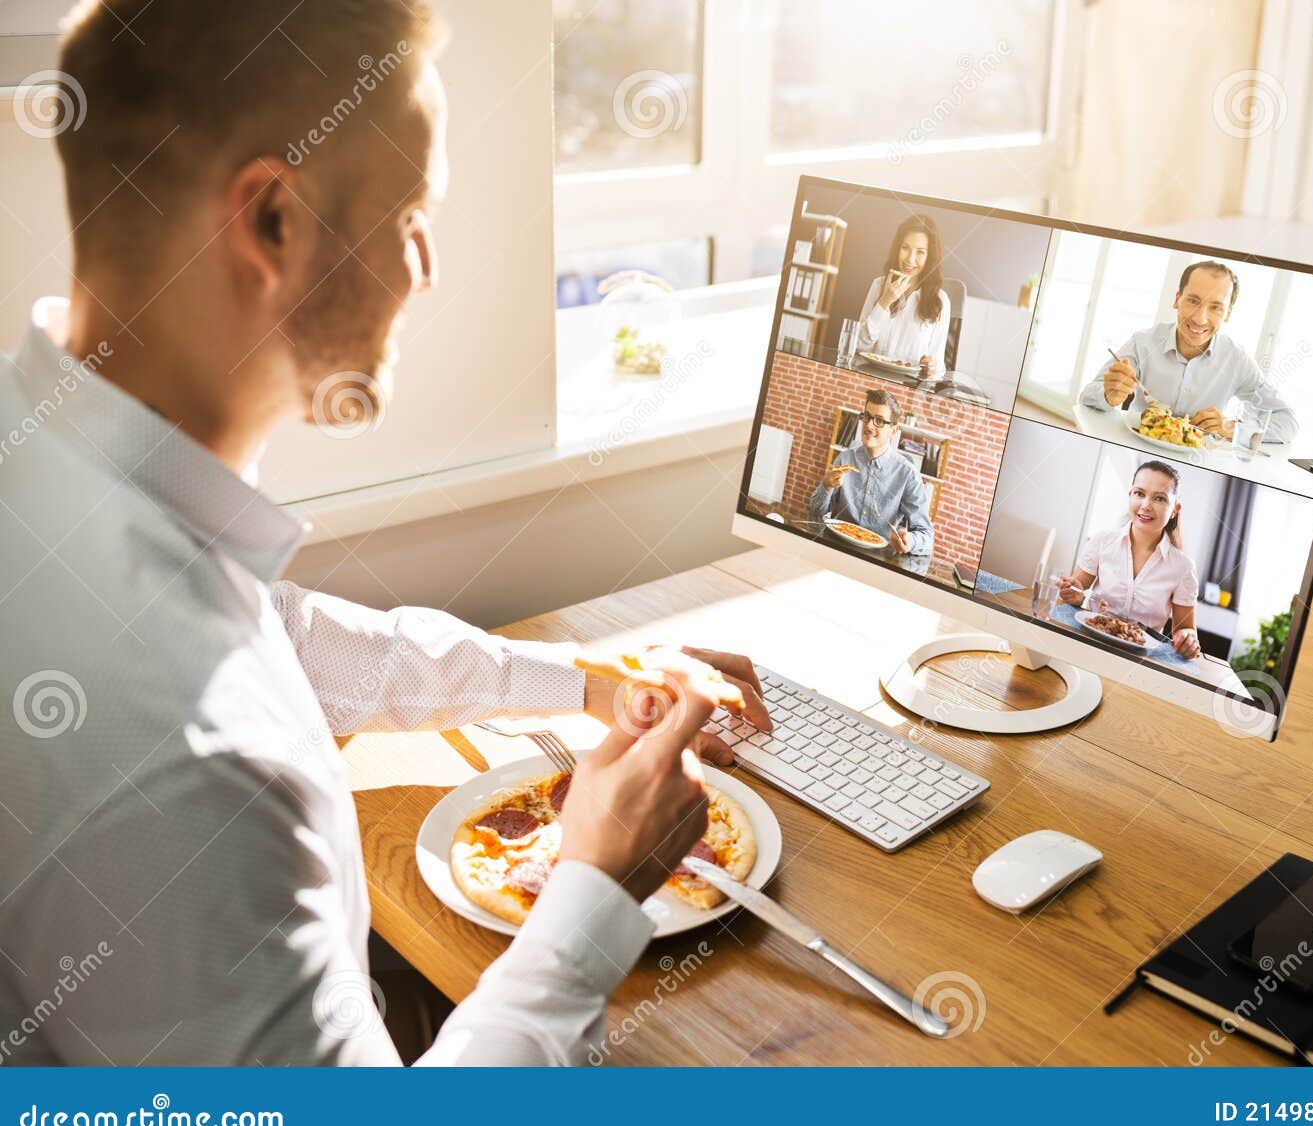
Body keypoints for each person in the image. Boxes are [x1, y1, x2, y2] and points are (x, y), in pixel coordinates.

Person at [0, 0, 771, 1066]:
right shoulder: (187, 768)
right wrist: (596, 888)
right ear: (273, 221)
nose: (426, 267)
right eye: (409, 215)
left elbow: (285, 637)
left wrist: (584, 680)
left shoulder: (53, 462)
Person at [1078, 260, 1298, 444]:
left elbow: (1287, 422)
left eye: (1215, 307)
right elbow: (1088, 396)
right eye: (1193, 301)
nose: (1200, 319)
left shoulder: (1236, 359)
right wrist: (1108, 395)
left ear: (1227, 314)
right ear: (1177, 300)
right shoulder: (1143, 343)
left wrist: (1233, 428)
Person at [1058, 461, 1203, 659]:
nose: (1146, 505)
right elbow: (1078, 590)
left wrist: (1187, 638)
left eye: (1159, 498)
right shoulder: (1102, 541)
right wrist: (1074, 593)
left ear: (1175, 510)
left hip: (1139, 658)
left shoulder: (1183, 567)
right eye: (1139, 493)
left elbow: (1185, 629)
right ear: (1130, 495)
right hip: (1090, 642)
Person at [808, 389, 932, 555]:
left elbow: (927, 536)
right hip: (834, 548)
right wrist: (826, 486)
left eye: (879, 421)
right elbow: (815, 513)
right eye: (867, 416)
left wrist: (911, 541)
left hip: (877, 558)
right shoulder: (845, 459)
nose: (868, 425)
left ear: (894, 431)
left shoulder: (908, 474)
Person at [856, 214, 951, 381]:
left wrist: (931, 367)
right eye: (905, 248)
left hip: (908, 386)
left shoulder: (941, 301)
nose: (910, 259)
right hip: (870, 379)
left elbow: (938, 370)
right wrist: (885, 301)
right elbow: (859, 345)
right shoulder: (878, 285)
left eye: (920, 252)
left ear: (930, 257)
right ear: (897, 249)